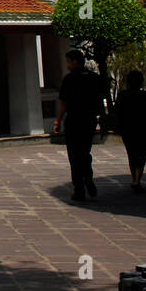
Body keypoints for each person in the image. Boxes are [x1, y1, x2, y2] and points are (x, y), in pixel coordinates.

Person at [54, 49, 106, 202]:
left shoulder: (69, 79)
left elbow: (64, 102)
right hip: (89, 120)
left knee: (74, 156)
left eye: (69, 61)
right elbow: (100, 102)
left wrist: (58, 120)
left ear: (75, 61)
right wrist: (103, 120)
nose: (68, 65)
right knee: (85, 151)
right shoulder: (94, 78)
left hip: (74, 120)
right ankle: (87, 176)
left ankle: (79, 189)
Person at [114, 70, 146, 192]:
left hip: (127, 128)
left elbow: (117, 111)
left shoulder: (122, 95)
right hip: (142, 127)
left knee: (131, 153)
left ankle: (134, 178)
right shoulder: (144, 95)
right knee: (141, 153)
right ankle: (137, 179)